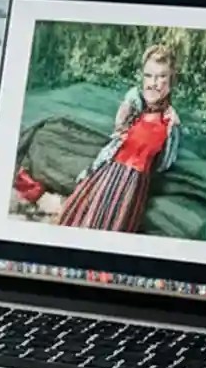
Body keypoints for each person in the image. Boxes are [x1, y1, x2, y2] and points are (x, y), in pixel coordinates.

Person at [57, 44, 183, 233]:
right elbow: (118, 131)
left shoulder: (170, 123)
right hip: (106, 173)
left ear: (171, 80)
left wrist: (172, 128)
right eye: (148, 76)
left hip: (132, 187)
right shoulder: (135, 104)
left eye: (161, 77)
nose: (153, 83)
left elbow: (164, 163)